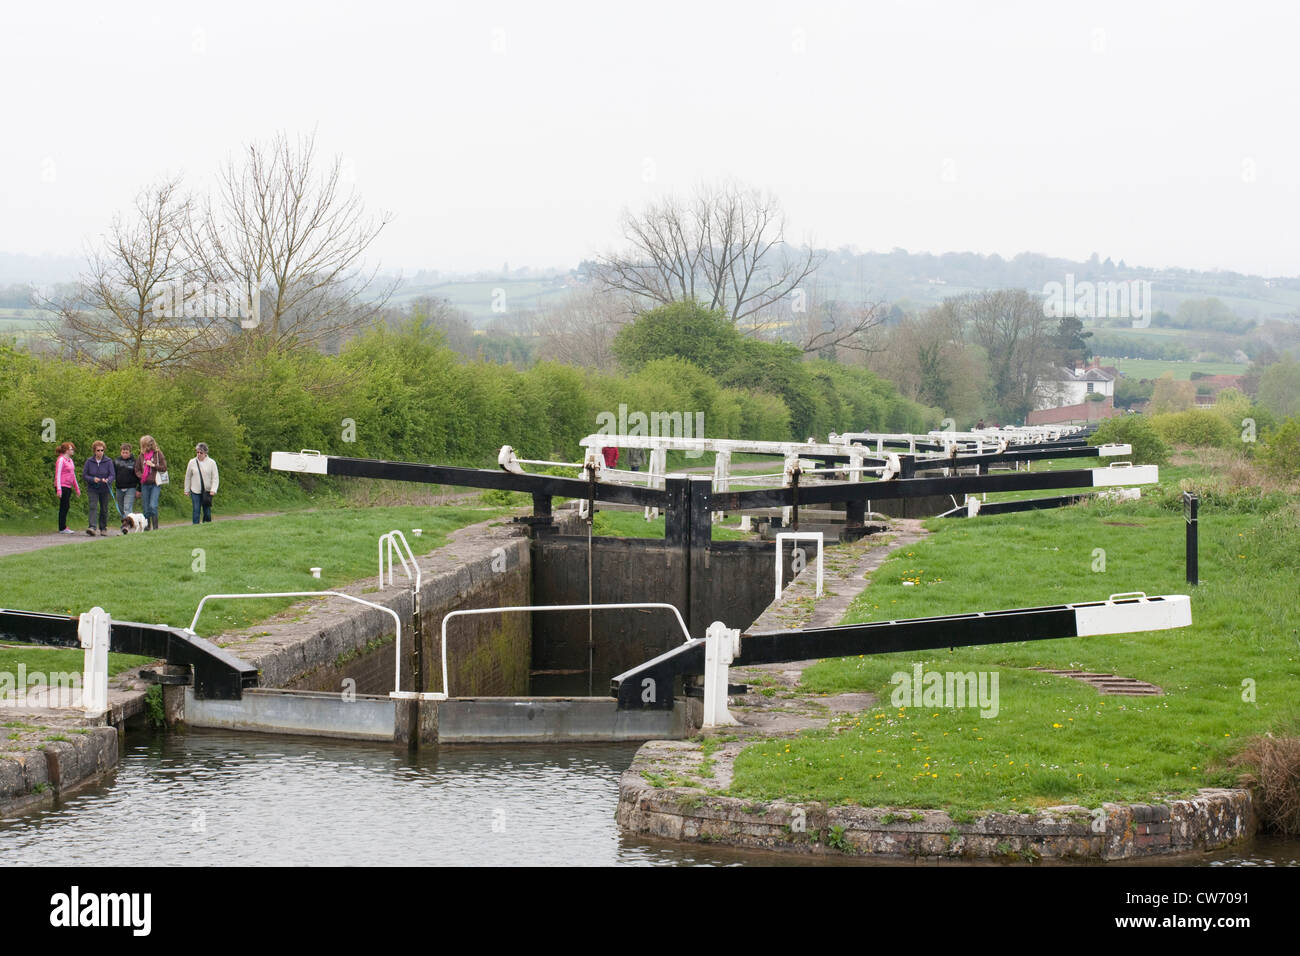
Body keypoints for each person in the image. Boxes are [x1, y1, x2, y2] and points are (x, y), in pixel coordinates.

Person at [135, 435, 168, 532]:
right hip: (144, 484)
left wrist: (153, 465)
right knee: (146, 507)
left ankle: (156, 528)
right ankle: (147, 527)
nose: (149, 446)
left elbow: (164, 468)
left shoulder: (158, 454)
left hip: (155, 484)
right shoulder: (141, 456)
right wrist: (141, 476)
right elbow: (137, 469)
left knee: (153, 505)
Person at [82, 440, 115, 536]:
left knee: (104, 508)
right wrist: (93, 479)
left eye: (102, 450)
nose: (100, 452)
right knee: (93, 506)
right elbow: (84, 475)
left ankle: (103, 528)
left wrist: (108, 480)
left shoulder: (108, 461)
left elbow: (112, 475)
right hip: (93, 488)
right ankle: (92, 527)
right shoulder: (89, 461)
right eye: (98, 450)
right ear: (94, 451)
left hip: (105, 488)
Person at [184, 442, 219, 524]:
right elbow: (188, 477)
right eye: (197, 452)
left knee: (207, 511)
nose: (199, 454)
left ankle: (206, 525)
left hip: (207, 491)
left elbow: (215, 478)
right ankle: (195, 527)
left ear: (205, 453)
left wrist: (213, 489)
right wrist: (186, 489)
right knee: (196, 510)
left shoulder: (212, 463)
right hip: (195, 490)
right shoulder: (192, 462)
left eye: (201, 452)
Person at [54, 441, 81, 534]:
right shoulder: (61, 460)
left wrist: (77, 488)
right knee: (64, 506)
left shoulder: (70, 460)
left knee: (66, 506)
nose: (73, 450)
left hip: (68, 486)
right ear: (66, 450)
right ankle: (62, 527)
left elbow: (73, 475)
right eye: (71, 449)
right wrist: (58, 489)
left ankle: (63, 526)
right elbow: (57, 474)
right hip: (62, 486)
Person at [113, 442, 140, 528]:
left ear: (130, 452)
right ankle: (127, 523)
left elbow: (139, 476)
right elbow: (113, 474)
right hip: (119, 488)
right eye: (123, 452)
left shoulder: (135, 462)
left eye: (126, 452)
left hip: (130, 488)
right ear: (121, 452)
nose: (124, 454)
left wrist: (139, 489)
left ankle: (126, 526)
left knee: (127, 508)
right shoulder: (116, 461)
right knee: (121, 508)